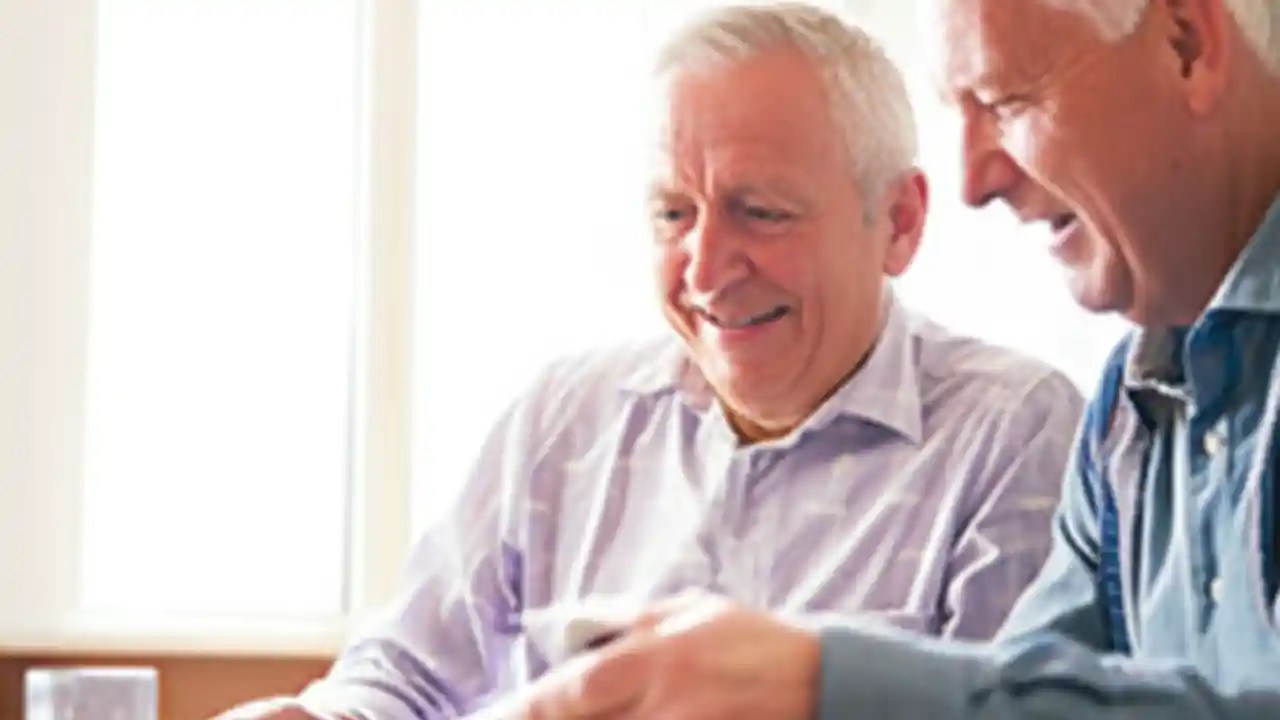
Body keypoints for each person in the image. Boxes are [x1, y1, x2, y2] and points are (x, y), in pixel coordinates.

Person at [216, 5, 1084, 719]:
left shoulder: (1011, 434)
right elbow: (404, 674)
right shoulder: (564, 419)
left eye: (760, 212)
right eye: (674, 214)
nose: (705, 270)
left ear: (898, 221)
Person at [506, 0, 1280, 718]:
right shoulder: (1129, 415)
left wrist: (820, 684)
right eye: (673, 212)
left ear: (1186, 46)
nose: (974, 182)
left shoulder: (1019, 425)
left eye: (1008, 102)